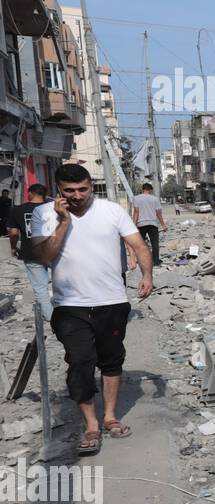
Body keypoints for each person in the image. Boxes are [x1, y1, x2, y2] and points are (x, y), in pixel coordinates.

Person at [29, 163, 153, 456]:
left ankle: (110, 416)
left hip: (111, 301)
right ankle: (91, 425)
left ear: (90, 186)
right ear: (59, 189)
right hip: (70, 305)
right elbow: (44, 256)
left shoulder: (111, 210)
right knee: (81, 361)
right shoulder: (43, 214)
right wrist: (63, 223)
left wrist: (147, 275)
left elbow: (138, 245)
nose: (77, 195)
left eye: (83, 189)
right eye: (70, 190)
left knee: (111, 360)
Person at [7, 183, 52, 320]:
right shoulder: (53, 208)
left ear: (30, 194)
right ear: (44, 194)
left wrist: (13, 247)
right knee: (64, 284)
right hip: (55, 250)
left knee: (40, 287)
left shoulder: (18, 210)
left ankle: (49, 316)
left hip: (31, 252)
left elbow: (13, 233)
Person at [132, 181, 167, 266]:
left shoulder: (136, 198)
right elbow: (158, 213)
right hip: (152, 224)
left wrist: (133, 225)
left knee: (141, 244)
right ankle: (156, 261)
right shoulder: (155, 199)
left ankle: (142, 261)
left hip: (141, 224)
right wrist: (163, 225)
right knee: (155, 244)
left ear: (143, 189)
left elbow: (136, 212)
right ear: (150, 190)